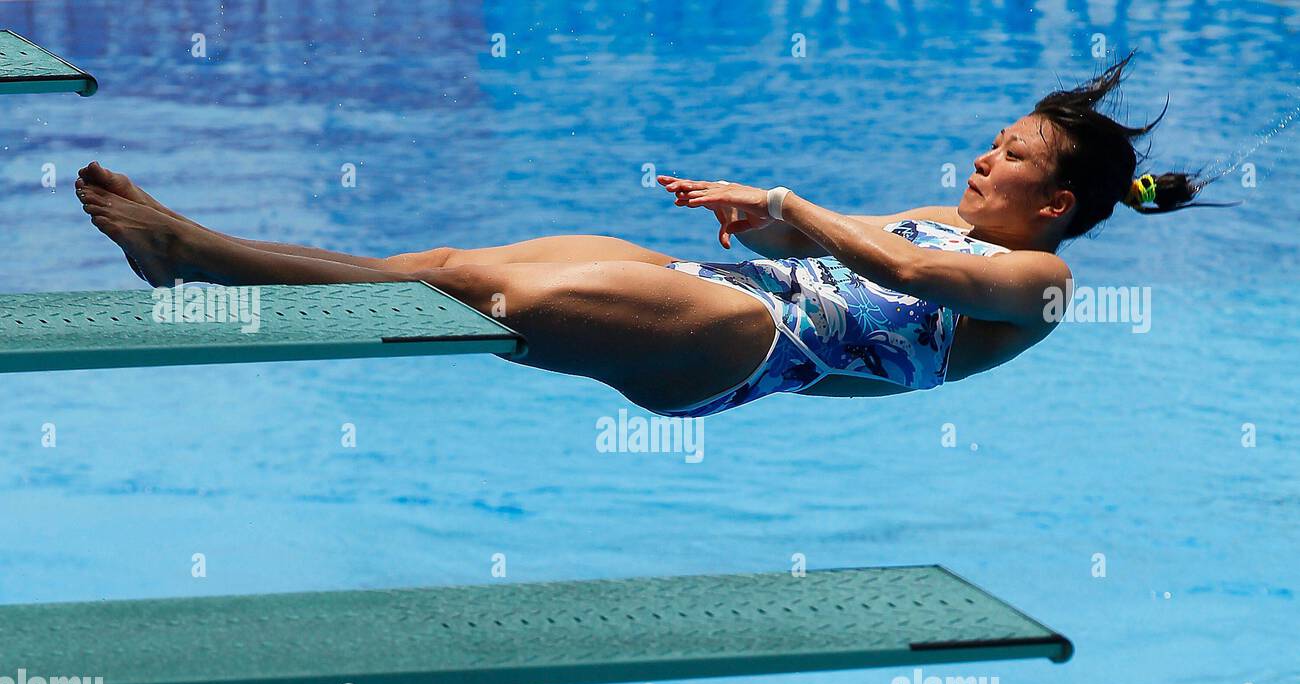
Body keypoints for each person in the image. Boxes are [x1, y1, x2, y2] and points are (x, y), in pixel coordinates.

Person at [74, 52, 1222, 417]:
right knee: (439, 267)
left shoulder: (1040, 284)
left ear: (1056, 204)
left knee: (501, 302)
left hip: (752, 346)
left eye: (1010, 155)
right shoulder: (935, 214)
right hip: (724, 286)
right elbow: (826, 247)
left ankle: (197, 256)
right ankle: (190, 251)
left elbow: (905, 272)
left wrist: (793, 209)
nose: (985, 157)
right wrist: (759, 221)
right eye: (993, 141)